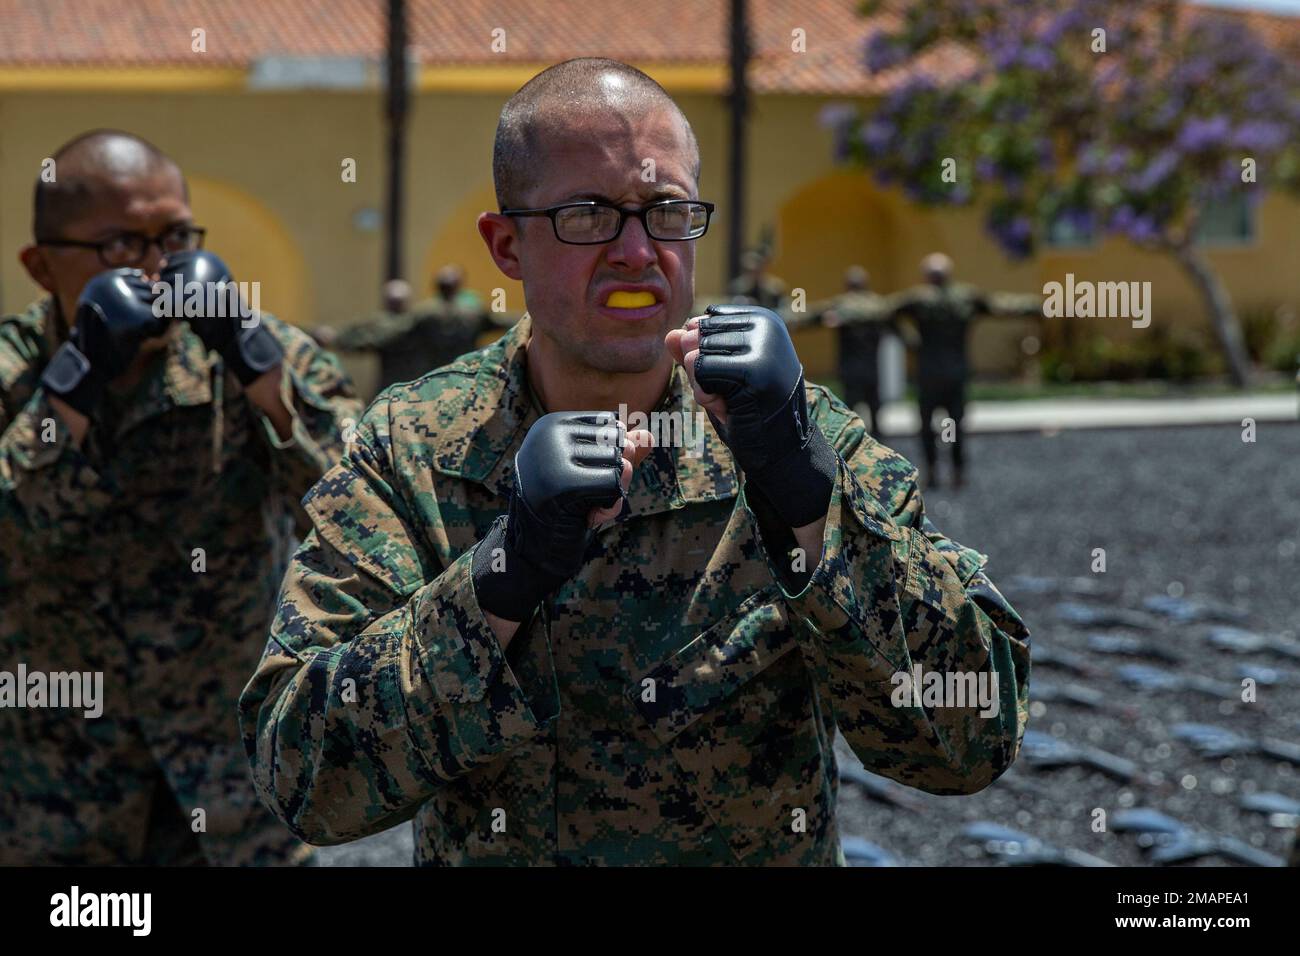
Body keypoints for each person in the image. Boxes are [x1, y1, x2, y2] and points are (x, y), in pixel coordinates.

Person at [241, 58, 1030, 866]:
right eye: (588, 215)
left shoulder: (797, 433)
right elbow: (300, 774)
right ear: (506, 244)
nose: (635, 251)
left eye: (665, 212)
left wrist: (808, 507)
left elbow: (973, 739)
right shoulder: (413, 446)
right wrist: (497, 582)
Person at [0, 129, 361, 865]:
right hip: (57, 797)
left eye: (175, 237)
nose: (158, 267)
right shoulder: (13, 373)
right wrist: (72, 384)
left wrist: (252, 360)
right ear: (41, 267)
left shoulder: (257, 354)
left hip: (233, 792)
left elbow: (354, 513)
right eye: (121, 246)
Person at [889, 254, 1041, 489]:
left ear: (927, 276)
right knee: (953, 423)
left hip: (930, 372)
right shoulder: (965, 297)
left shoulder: (918, 300)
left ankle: (932, 471)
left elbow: (887, 313)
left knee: (928, 424)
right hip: (955, 371)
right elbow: (1001, 306)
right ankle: (956, 472)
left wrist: (909, 341)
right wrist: (1034, 306)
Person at [316, 267, 516, 398]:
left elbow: (392, 334)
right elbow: (500, 321)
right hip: (468, 378)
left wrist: (342, 341)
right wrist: (529, 317)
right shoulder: (472, 313)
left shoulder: (425, 313)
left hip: (435, 380)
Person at [805, 265, 900, 437]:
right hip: (872, 366)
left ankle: (853, 441)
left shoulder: (840, 305)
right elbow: (895, 327)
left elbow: (812, 317)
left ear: (847, 285)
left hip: (850, 366)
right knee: (875, 408)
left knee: (850, 409)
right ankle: (878, 442)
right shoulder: (878, 305)